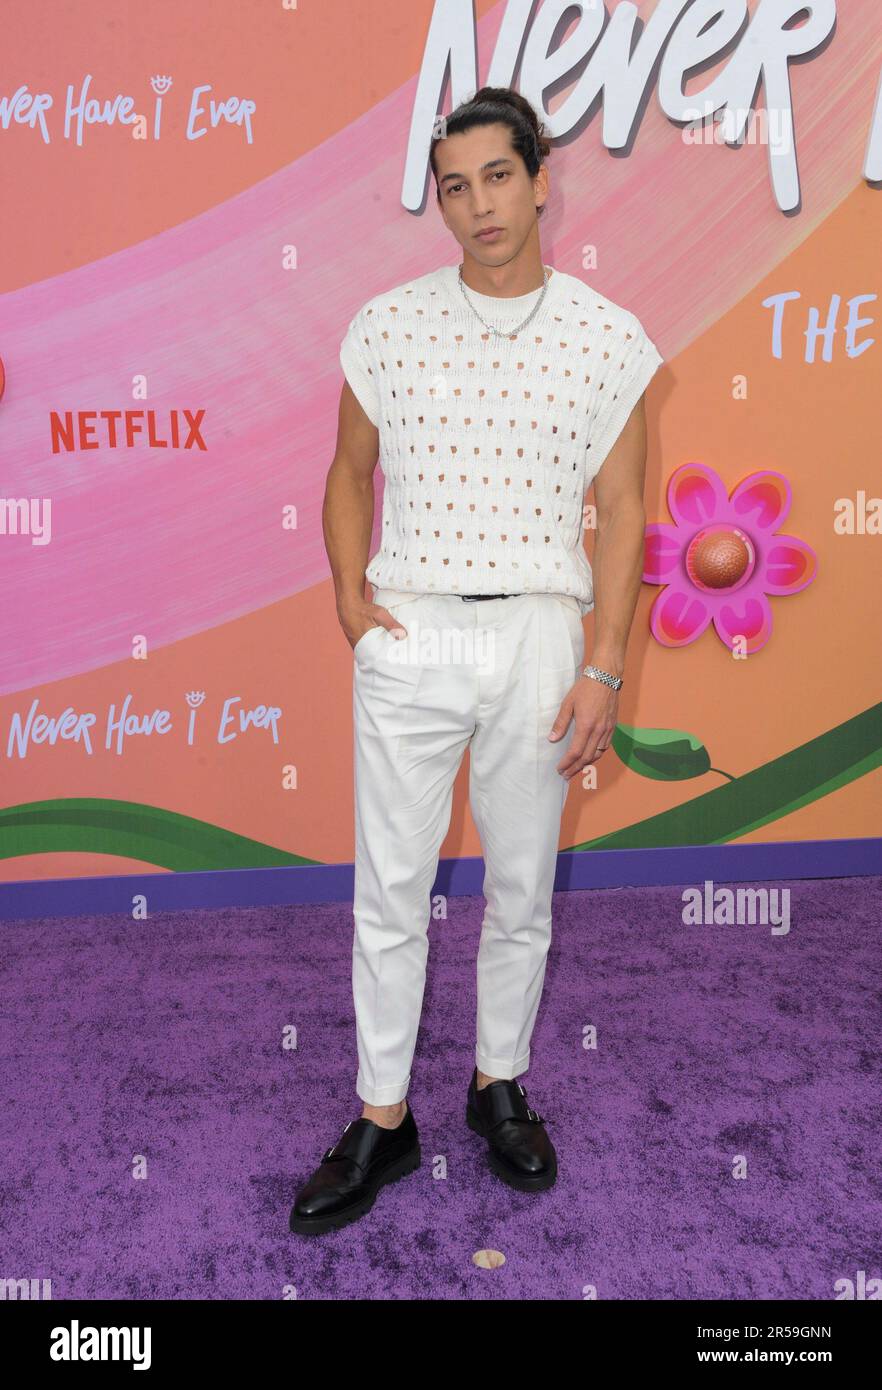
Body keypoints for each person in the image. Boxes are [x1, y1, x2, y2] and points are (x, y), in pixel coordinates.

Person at [290, 87, 664, 1236]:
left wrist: (603, 665)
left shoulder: (610, 338)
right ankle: (382, 1116)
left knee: (520, 888)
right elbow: (350, 473)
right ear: (441, 201)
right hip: (413, 631)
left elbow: (624, 504)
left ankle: (499, 1084)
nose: (478, 203)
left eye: (498, 176)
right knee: (391, 890)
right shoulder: (388, 325)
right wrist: (355, 599)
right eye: (455, 185)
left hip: (543, 636)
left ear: (541, 179)